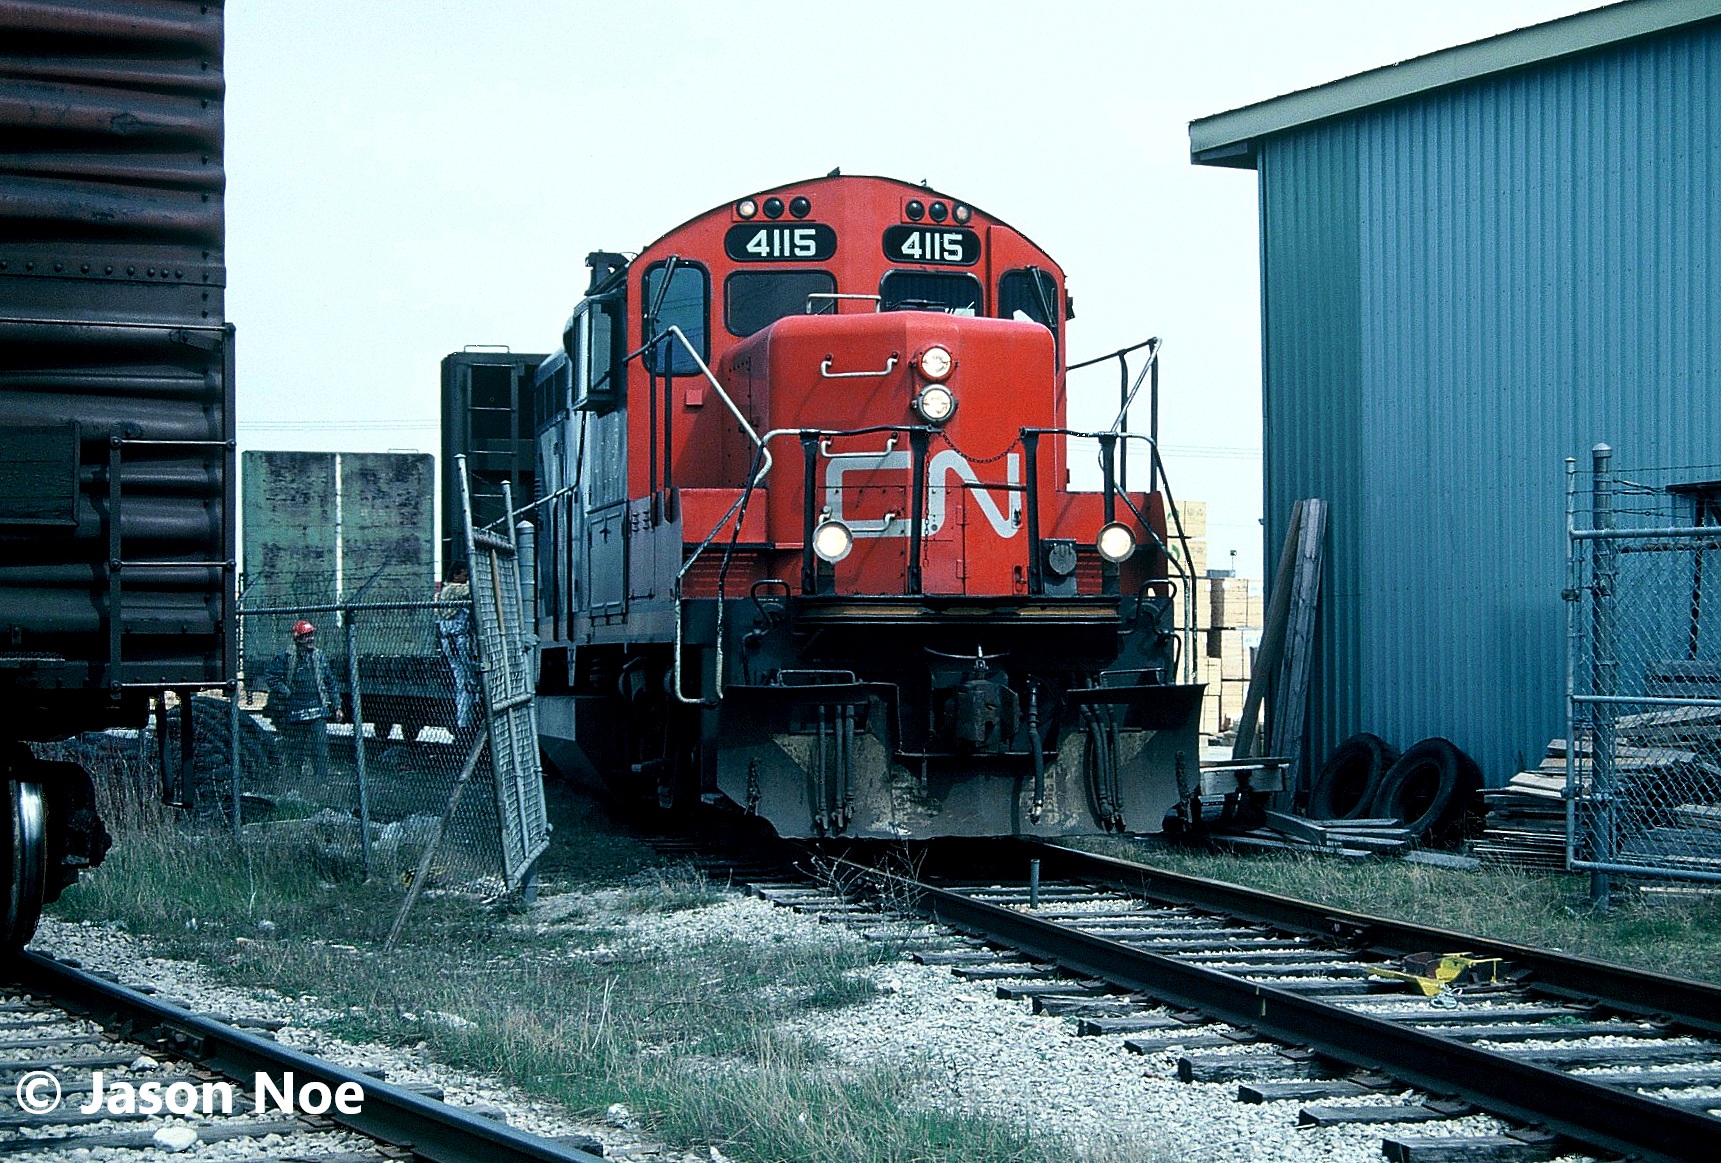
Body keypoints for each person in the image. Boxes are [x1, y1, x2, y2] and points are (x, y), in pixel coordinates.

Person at [262, 620, 341, 784]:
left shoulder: (319, 657)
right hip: (295, 711)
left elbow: (330, 682)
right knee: (295, 750)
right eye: (306, 636)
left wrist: (337, 706)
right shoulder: (286, 657)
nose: (310, 639)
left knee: (320, 748)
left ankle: (321, 781)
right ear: (298, 639)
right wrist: (286, 692)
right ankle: (294, 782)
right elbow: (271, 676)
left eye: (311, 635)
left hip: (318, 711)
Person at [435, 562, 482, 734]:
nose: (466, 579)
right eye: (464, 575)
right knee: (465, 681)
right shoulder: (454, 589)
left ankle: (466, 717)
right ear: (455, 576)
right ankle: (464, 721)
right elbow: (475, 588)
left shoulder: (446, 591)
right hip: (457, 639)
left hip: (450, 639)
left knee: (463, 680)